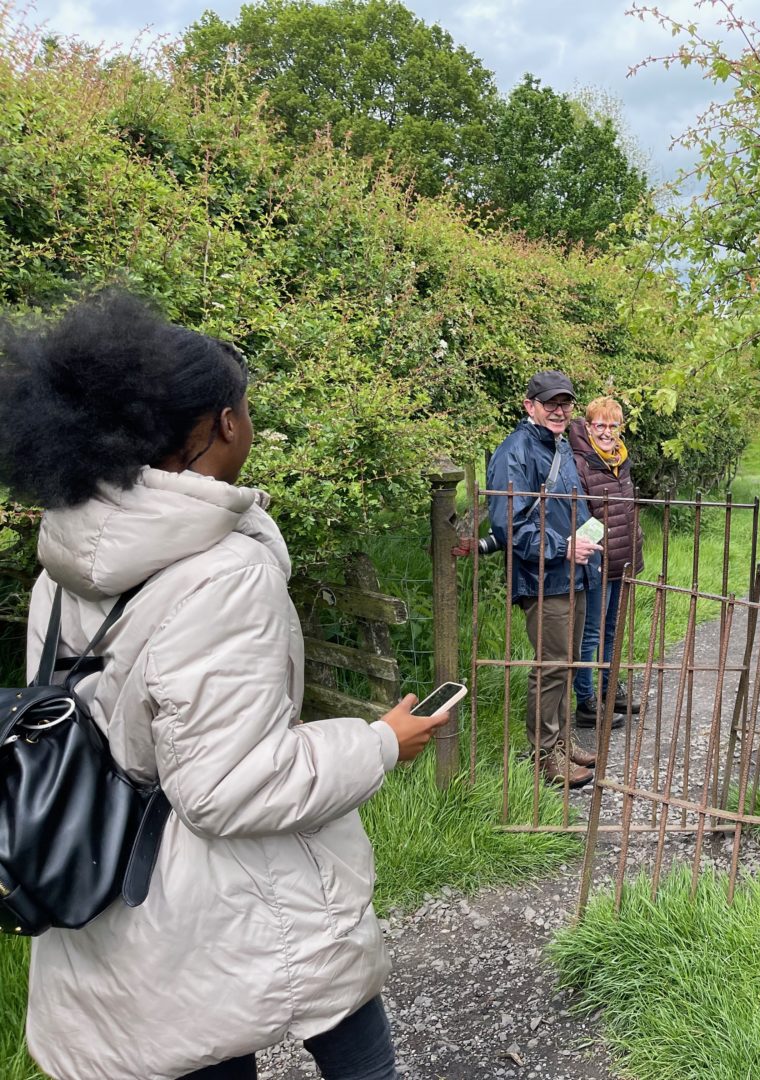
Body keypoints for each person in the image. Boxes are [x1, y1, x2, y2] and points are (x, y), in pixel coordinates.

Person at [0, 291, 449, 1080]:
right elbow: (227, 786)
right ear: (218, 426)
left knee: (198, 1049)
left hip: (105, 873)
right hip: (217, 893)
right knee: (350, 1038)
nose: (245, 419)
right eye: (239, 404)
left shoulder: (68, 562)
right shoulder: (223, 572)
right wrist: (380, 743)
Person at [456, 370, 601, 787]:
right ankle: (544, 755)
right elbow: (511, 525)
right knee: (550, 666)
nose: (559, 410)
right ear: (529, 406)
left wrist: (587, 538)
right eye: (550, 403)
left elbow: (566, 508)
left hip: (576, 572)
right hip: (546, 578)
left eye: (565, 403)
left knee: (568, 664)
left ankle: (560, 741)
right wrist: (563, 547)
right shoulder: (513, 452)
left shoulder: (558, 445)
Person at [568, 397, 645, 725]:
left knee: (611, 629)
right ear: (588, 427)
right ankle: (586, 701)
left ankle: (607, 691)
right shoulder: (581, 462)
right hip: (597, 560)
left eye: (613, 426)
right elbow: (585, 515)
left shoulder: (620, 460)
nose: (607, 432)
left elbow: (624, 508)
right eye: (600, 425)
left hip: (621, 558)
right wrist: (601, 542)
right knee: (591, 632)